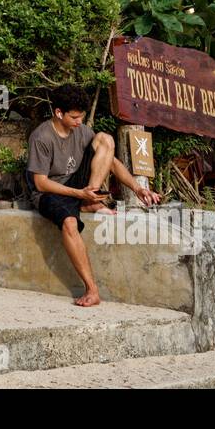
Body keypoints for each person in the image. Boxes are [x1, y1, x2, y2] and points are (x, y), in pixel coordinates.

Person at [26, 85, 161, 308]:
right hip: (49, 192)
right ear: (59, 113)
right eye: (75, 117)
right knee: (69, 223)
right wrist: (78, 194)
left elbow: (112, 162)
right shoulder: (41, 137)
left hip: (79, 187)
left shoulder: (81, 131)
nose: (79, 122)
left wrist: (138, 189)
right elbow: (40, 182)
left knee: (106, 140)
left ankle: (90, 199)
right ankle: (92, 290)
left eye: (82, 117)